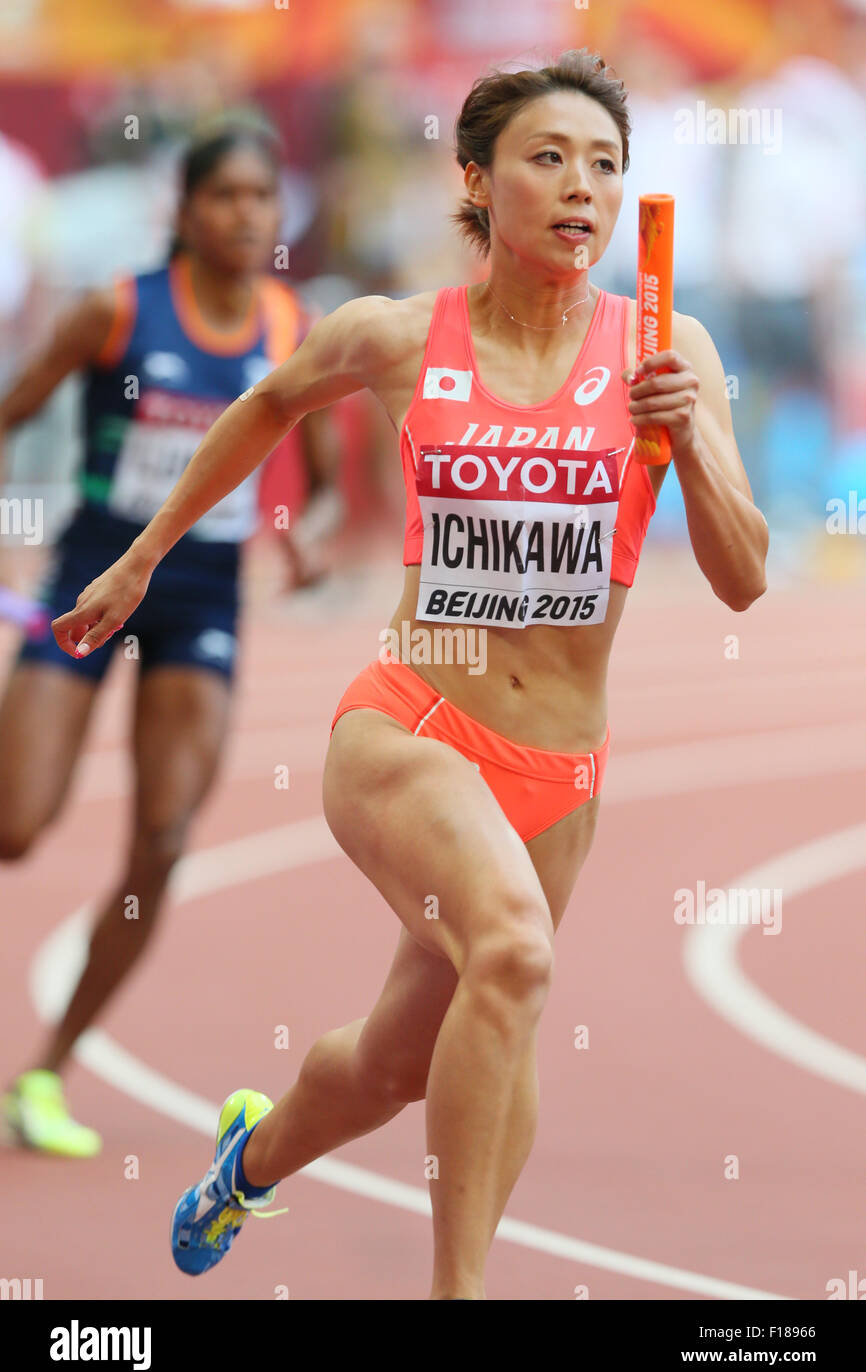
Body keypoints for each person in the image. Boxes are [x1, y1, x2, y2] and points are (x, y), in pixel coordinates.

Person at [47, 51, 769, 1298]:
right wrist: (142, 559)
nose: (580, 187)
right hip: (412, 722)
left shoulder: (670, 350)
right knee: (516, 955)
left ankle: (248, 1160)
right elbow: (270, 403)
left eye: (604, 165)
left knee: (394, 1062)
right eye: (547, 158)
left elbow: (744, 575)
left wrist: (689, 441)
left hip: (558, 774)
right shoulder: (397, 336)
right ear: (478, 181)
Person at [0, 123, 338, 1157]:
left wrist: (301, 541)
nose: (247, 216)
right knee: (15, 826)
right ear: (184, 211)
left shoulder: (291, 328)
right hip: (89, 586)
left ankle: (48, 1071)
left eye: (262, 199)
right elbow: (11, 412)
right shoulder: (115, 310)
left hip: (200, 603)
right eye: (226, 196)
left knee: (163, 842)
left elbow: (318, 485)